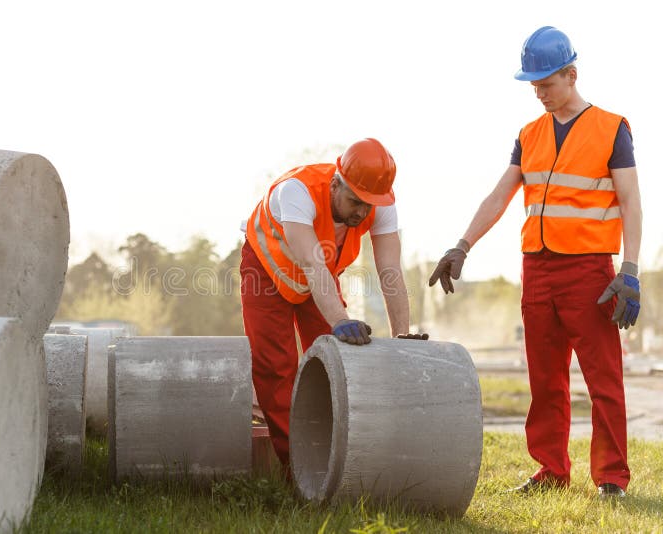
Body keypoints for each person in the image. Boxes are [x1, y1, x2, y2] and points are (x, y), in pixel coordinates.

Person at [429, 26, 642, 499]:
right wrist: (462, 245)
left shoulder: (612, 129)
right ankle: (551, 469)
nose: (539, 93)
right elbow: (500, 195)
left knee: (603, 378)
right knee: (545, 380)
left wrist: (630, 270)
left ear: (571, 75)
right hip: (537, 270)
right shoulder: (529, 134)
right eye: (533, 85)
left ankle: (611, 478)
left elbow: (631, 202)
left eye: (546, 83)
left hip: (589, 272)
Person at [240, 138, 421, 468]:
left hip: (320, 276)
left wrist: (402, 335)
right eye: (355, 202)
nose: (362, 212)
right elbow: (311, 265)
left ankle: (336, 457)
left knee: (336, 362)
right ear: (336, 184)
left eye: (369, 205)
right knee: (276, 368)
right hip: (267, 272)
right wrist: (339, 319)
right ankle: (299, 469)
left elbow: (390, 271)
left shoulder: (380, 203)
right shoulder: (297, 192)